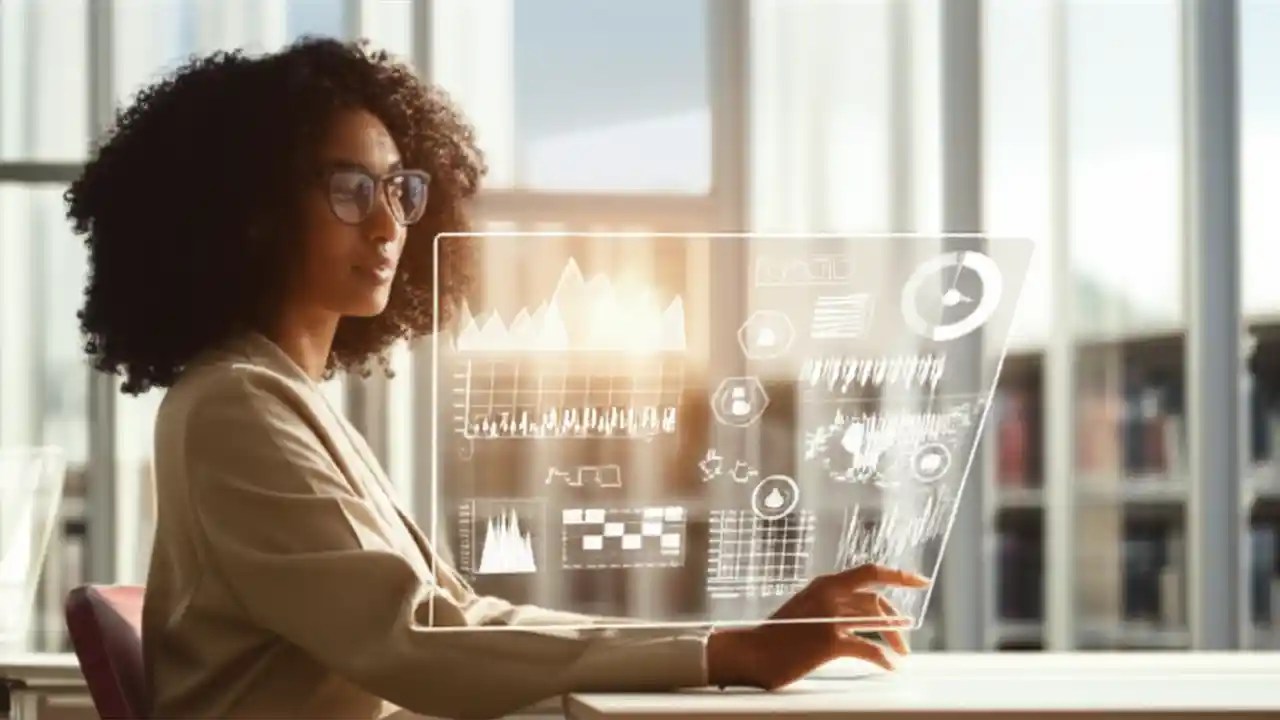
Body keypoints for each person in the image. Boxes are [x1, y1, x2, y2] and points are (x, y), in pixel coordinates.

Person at [63, 37, 930, 719]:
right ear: (249, 211)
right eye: (348, 188)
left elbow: (455, 614)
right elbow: (414, 642)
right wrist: (726, 652)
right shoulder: (234, 406)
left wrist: (721, 645)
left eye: (400, 189)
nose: (389, 224)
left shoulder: (281, 395)